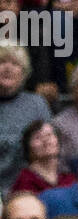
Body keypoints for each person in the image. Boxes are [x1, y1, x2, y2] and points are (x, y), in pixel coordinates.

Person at [0, 45, 51, 193]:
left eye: (15, 64)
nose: (8, 68)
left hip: (29, 187)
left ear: (23, 73)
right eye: (2, 62)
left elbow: (49, 149)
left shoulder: (37, 104)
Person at [10, 119, 76, 195]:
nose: (45, 140)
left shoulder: (69, 179)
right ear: (28, 149)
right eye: (37, 137)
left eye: (49, 135)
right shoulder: (25, 183)